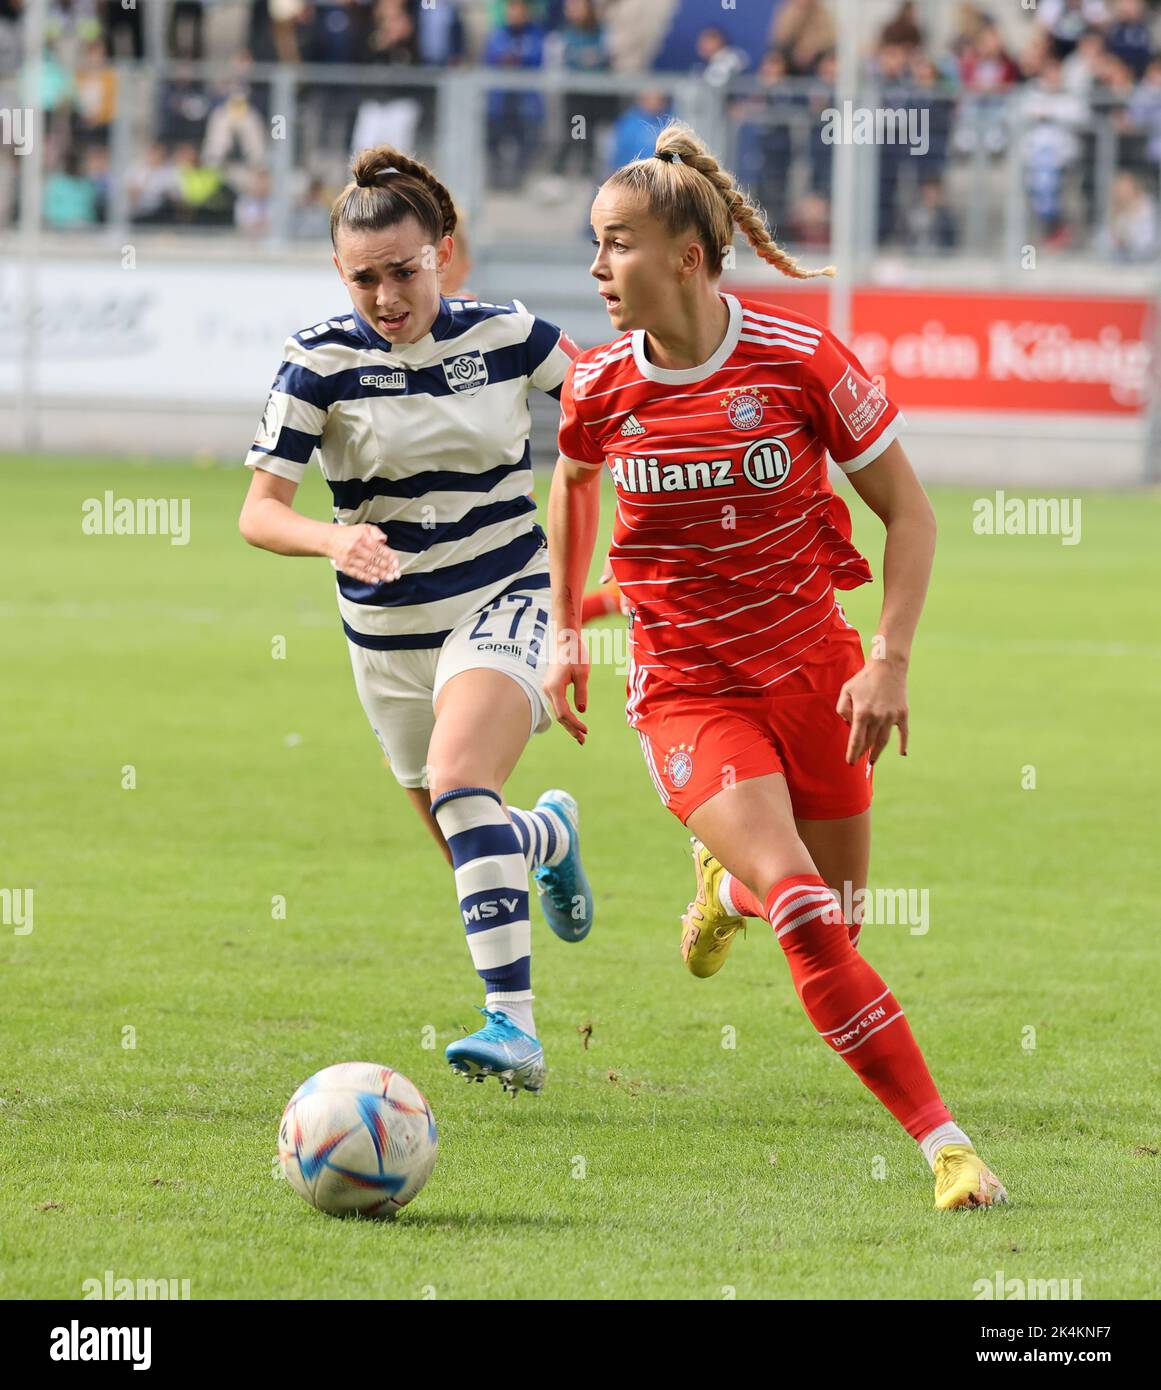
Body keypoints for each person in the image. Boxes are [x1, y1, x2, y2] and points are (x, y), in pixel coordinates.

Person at [545, 120, 1009, 1210]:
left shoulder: (801, 360)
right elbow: (571, 487)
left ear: (689, 259)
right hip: (686, 694)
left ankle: (724, 883)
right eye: (595, 245)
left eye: (617, 244)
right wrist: (568, 626)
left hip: (816, 677)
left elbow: (911, 514)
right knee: (803, 905)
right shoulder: (598, 388)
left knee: (833, 919)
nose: (598, 267)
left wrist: (888, 658)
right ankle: (948, 1148)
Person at [238, 145, 594, 1096]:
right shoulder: (317, 361)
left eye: (404, 270)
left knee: (457, 778)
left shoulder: (513, 336)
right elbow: (259, 511)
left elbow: (613, 411)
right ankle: (545, 838)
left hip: (507, 597)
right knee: (464, 836)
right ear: (338, 272)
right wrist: (331, 541)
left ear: (443, 251)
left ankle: (512, 1029)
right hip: (387, 637)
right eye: (365, 277)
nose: (386, 295)